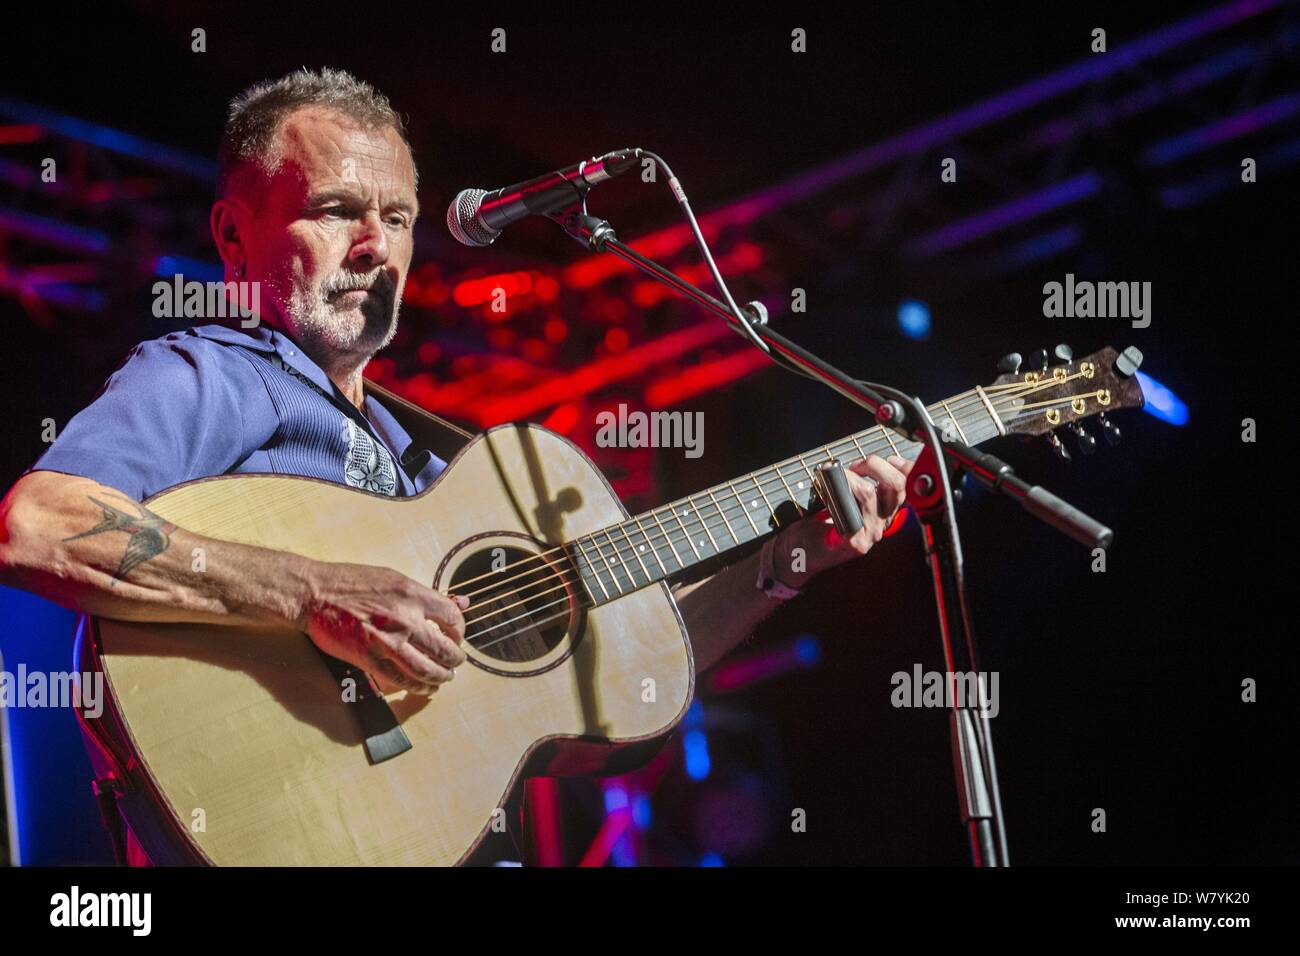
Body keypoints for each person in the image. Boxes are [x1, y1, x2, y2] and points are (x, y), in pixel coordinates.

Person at [0, 68, 912, 863]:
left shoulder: (426, 463)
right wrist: (314, 593)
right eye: (335, 211)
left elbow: (597, 726)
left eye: (395, 218)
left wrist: (777, 567)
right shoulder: (212, 374)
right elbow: (39, 524)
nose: (375, 246)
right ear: (234, 238)